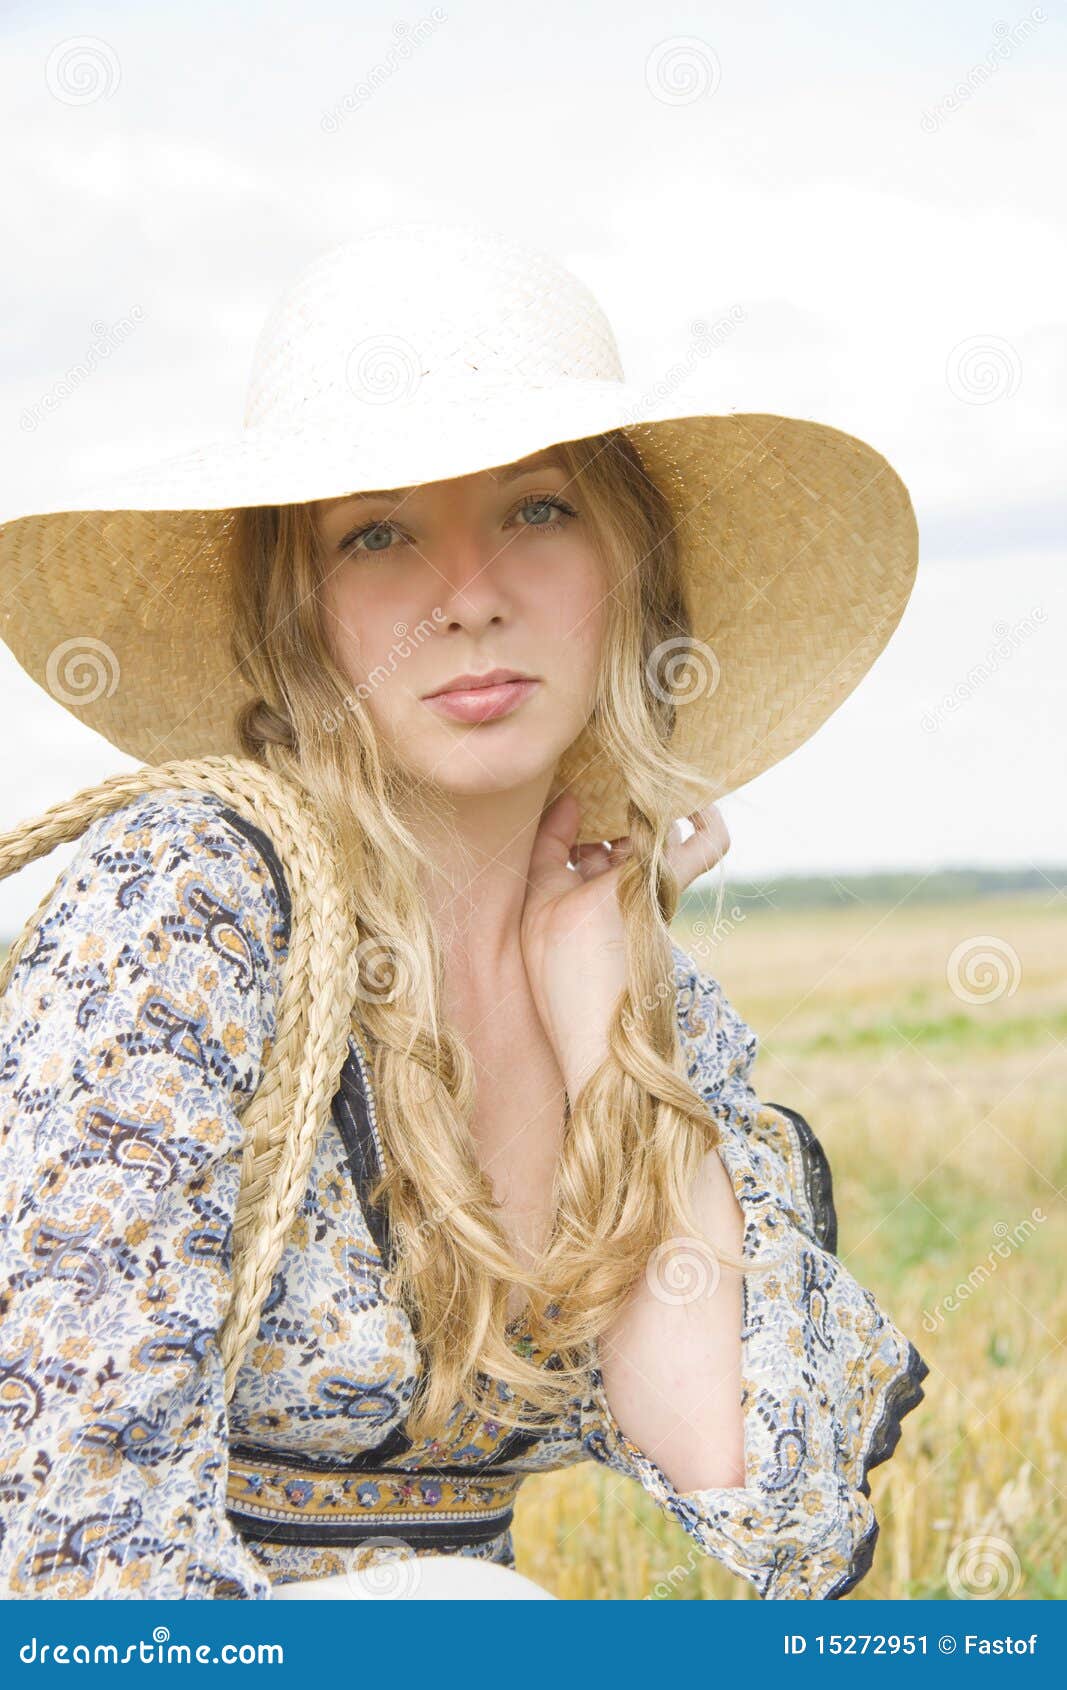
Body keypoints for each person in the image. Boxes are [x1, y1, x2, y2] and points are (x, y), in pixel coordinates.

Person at [0, 220, 928, 1600]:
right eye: (378, 532)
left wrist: (609, 1022)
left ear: (636, 573)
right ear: (299, 609)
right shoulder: (192, 900)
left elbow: (782, 1518)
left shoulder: (630, 968)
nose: (471, 599)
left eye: (538, 509)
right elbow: (69, 1543)